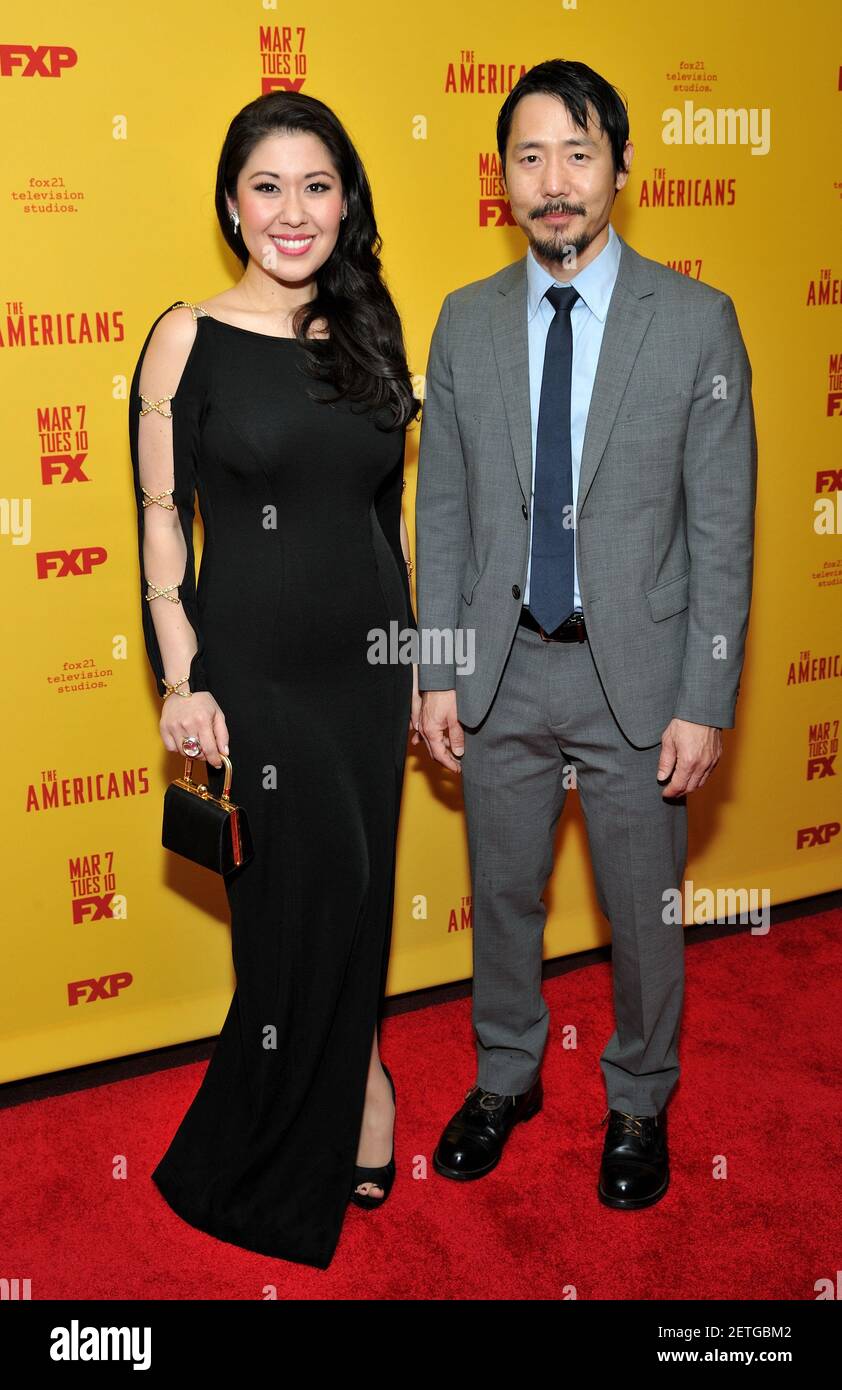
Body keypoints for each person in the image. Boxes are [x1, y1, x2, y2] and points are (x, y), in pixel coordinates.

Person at [415, 59, 757, 1208]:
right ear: (501, 179)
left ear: (619, 167)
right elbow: (446, 514)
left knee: (643, 911)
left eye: (576, 153)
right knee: (501, 893)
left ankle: (637, 1096)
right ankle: (506, 1073)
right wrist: (436, 672)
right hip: (502, 672)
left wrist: (705, 697)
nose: (552, 181)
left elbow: (721, 528)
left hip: (641, 680)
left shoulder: (697, 321)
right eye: (527, 156)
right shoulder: (462, 323)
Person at [128, 89, 421, 1268]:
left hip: (366, 668)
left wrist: (417, 670)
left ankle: (358, 1087)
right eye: (267, 186)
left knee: (353, 904)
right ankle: (290, 1134)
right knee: (294, 913)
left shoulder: (370, 327)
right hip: (250, 671)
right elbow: (160, 526)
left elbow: (387, 522)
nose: (292, 211)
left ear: (345, 201)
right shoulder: (184, 336)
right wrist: (182, 677)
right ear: (230, 204)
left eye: (316, 185)